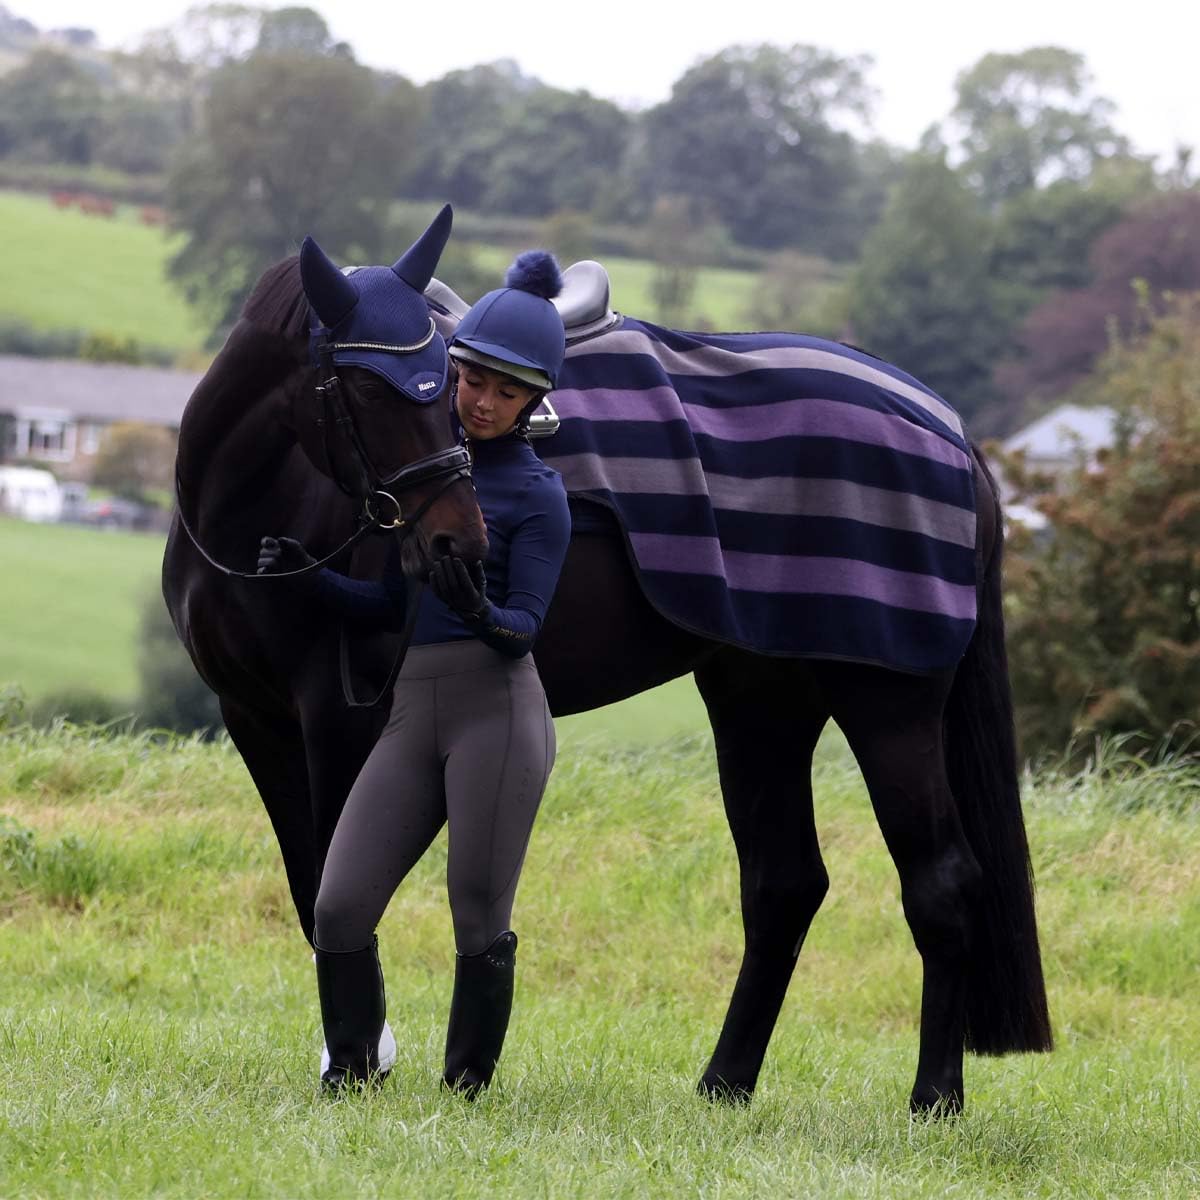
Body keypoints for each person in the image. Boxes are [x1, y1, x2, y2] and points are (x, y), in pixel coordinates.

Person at [258, 250, 571, 1095]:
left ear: (533, 402)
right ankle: (354, 1070)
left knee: (477, 913)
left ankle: (465, 1093)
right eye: (473, 380)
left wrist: (476, 608)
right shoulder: (425, 479)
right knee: (338, 904)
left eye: (507, 392)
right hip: (413, 710)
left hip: (497, 715)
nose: (483, 402)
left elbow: (523, 631)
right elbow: (390, 607)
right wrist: (308, 578)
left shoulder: (539, 497)